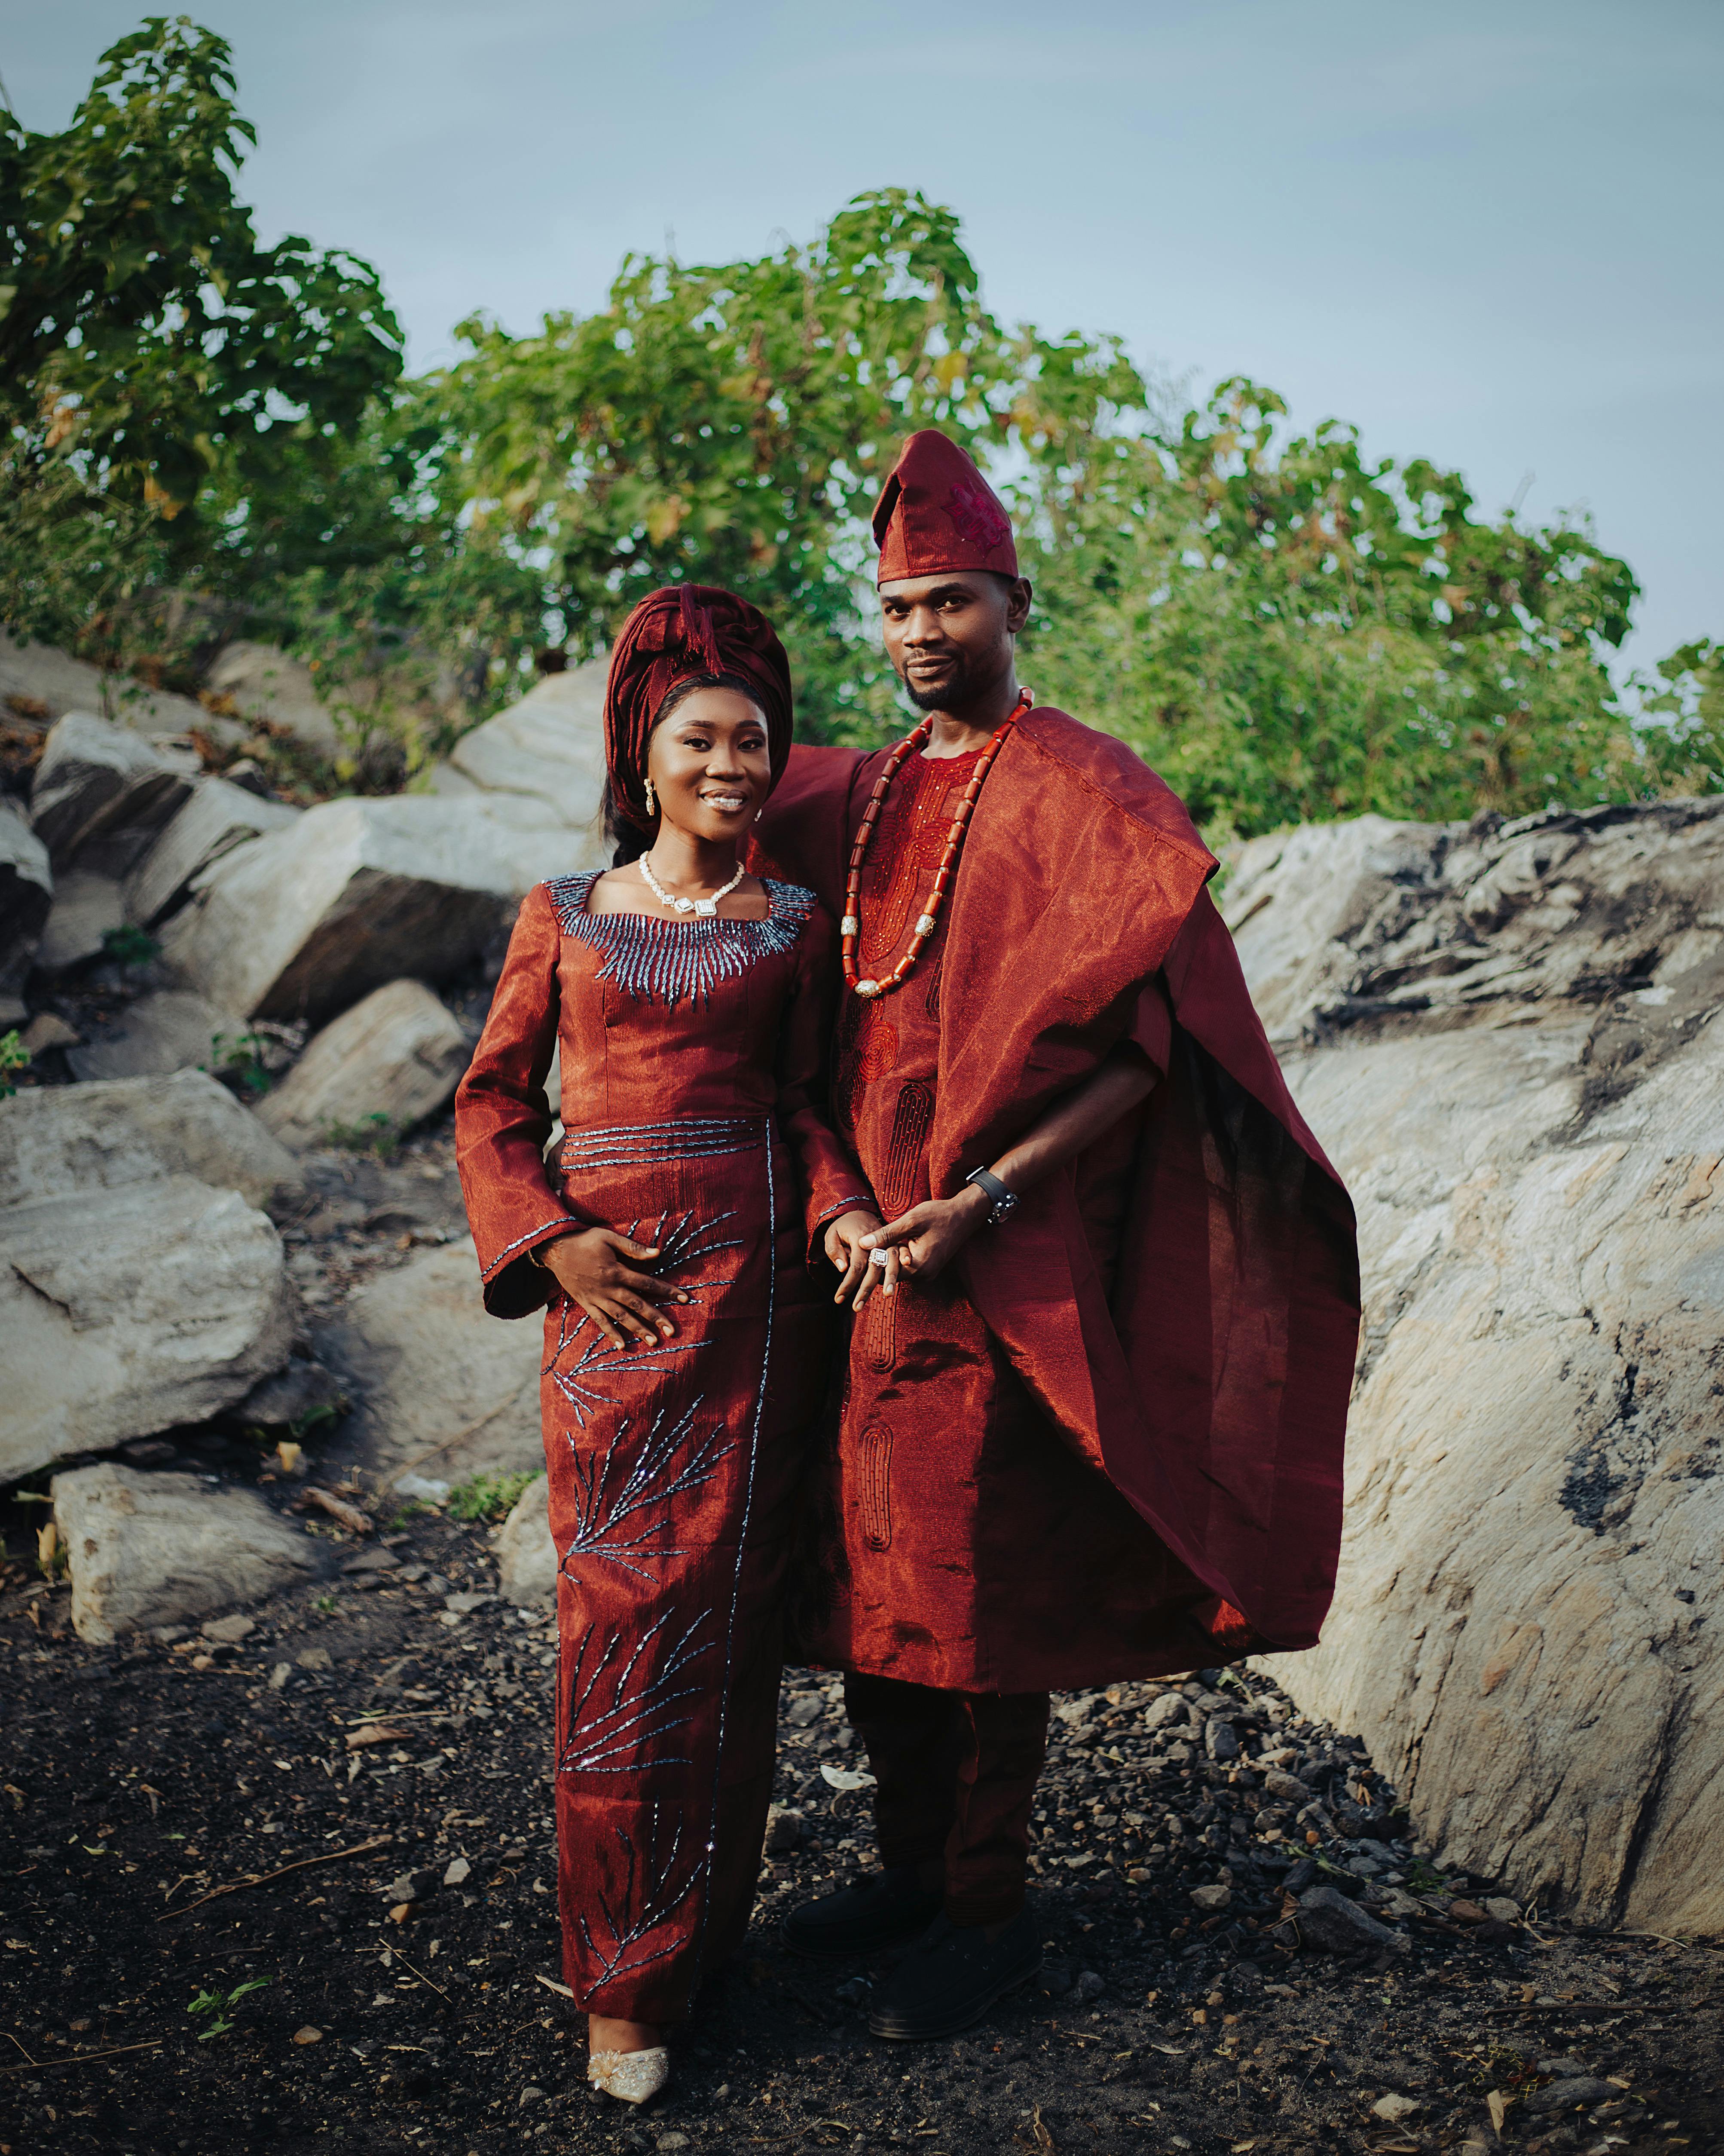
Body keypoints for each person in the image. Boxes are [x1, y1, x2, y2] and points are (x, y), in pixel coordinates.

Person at [749, 431, 1361, 2042]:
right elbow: (797, 1043)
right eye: (891, 606)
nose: (916, 633)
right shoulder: (845, 799)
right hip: (858, 1252)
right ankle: (904, 1868)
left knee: (971, 1581)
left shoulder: (1085, 787)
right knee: (864, 1574)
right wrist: (846, 1209)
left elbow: (1147, 1053)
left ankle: (986, 1909)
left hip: (1000, 1254)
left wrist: (983, 1201)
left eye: (947, 599)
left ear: (1012, 600)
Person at [454, 585, 880, 2103]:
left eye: (755, 743)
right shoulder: (561, 916)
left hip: (756, 1310)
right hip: (606, 1315)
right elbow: (494, 1106)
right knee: (615, 1624)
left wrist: (838, 1216)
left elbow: (810, 1105)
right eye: (701, 738)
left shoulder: (792, 925)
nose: (733, 766)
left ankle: (692, 1950)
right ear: (644, 754)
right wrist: (553, 1241)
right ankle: (615, 1986)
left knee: (725, 1633)